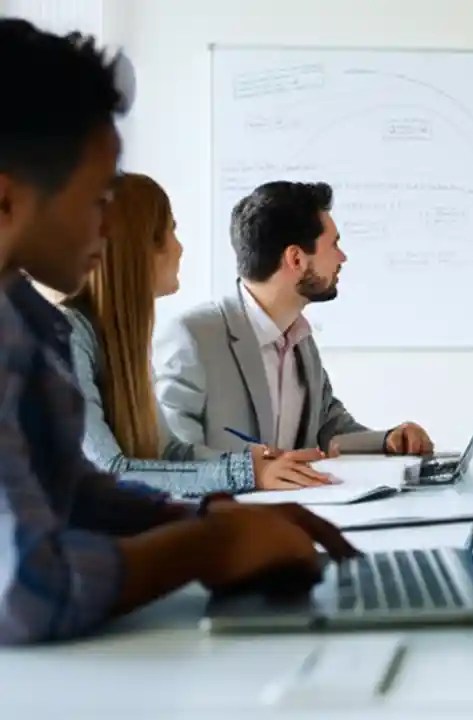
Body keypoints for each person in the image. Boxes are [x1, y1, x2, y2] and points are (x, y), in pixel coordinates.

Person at [0, 19, 358, 645]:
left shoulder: (29, 324)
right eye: (98, 200)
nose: (114, 231)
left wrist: (196, 512)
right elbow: (28, 589)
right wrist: (204, 546)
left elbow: (76, 488)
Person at [63, 172, 333, 496]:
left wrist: (262, 461)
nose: (180, 248)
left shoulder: (121, 341)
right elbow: (109, 472)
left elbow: (169, 454)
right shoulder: (65, 337)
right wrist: (246, 474)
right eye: (171, 232)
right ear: (138, 246)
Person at [153, 180, 432, 457]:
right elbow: (176, 457)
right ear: (296, 259)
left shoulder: (299, 337)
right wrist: (253, 472)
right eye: (334, 244)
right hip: (228, 502)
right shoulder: (193, 336)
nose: (342, 257)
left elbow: (326, 429)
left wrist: (389, 440)